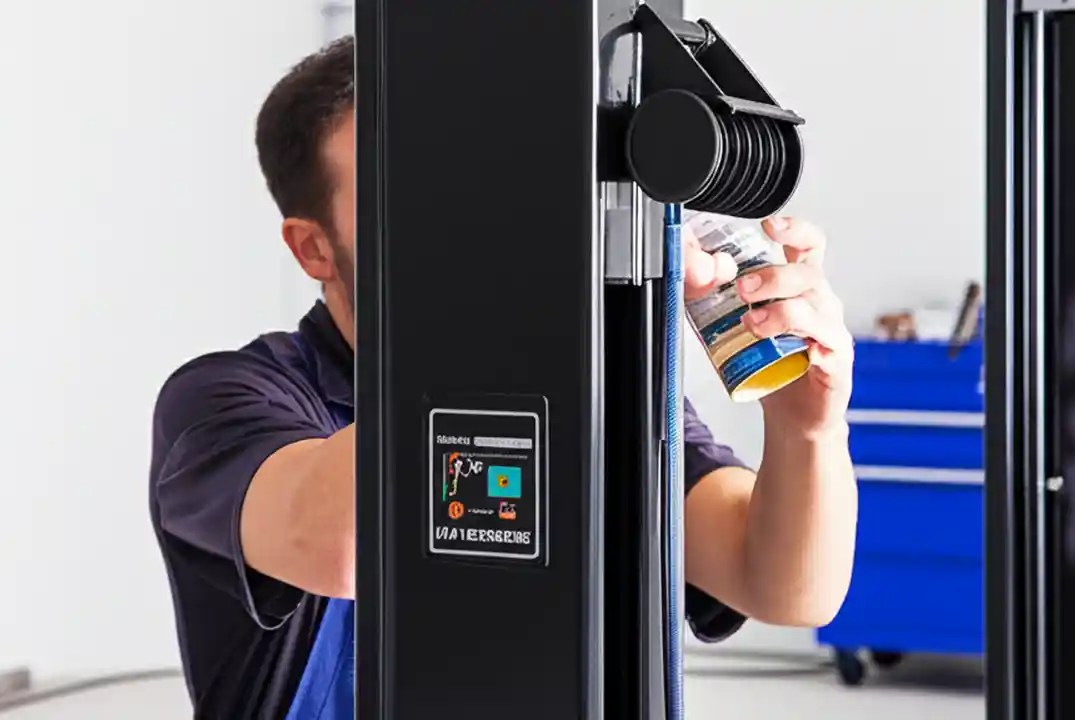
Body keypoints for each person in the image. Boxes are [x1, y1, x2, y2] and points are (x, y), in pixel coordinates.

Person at [148, 35, 858, 720]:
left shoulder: (594, 388)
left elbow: (785, 587)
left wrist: (807, 425)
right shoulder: (227, 400)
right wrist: (511, 274)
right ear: (314, 247)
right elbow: (345, 545)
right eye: (411, 185)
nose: (463, 210)